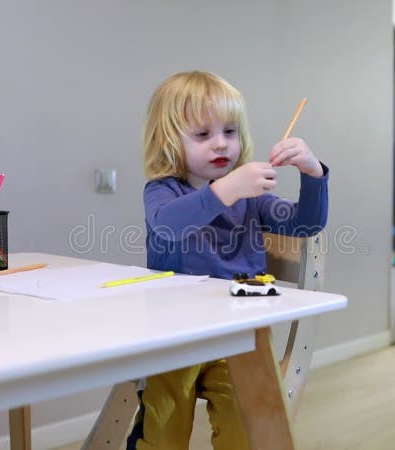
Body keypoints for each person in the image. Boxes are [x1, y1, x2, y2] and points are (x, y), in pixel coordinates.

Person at [129, 70, 329, 450]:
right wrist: (225, 191)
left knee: (246, 427)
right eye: (203, 135)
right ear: (170, 140)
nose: (221, 144)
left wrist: (312, 172)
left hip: (241, 336)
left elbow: (306, 225)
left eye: (230, 132)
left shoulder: (250, 195)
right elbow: (168, 226)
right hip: (176, 334)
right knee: (163, 429)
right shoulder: (162, 191)